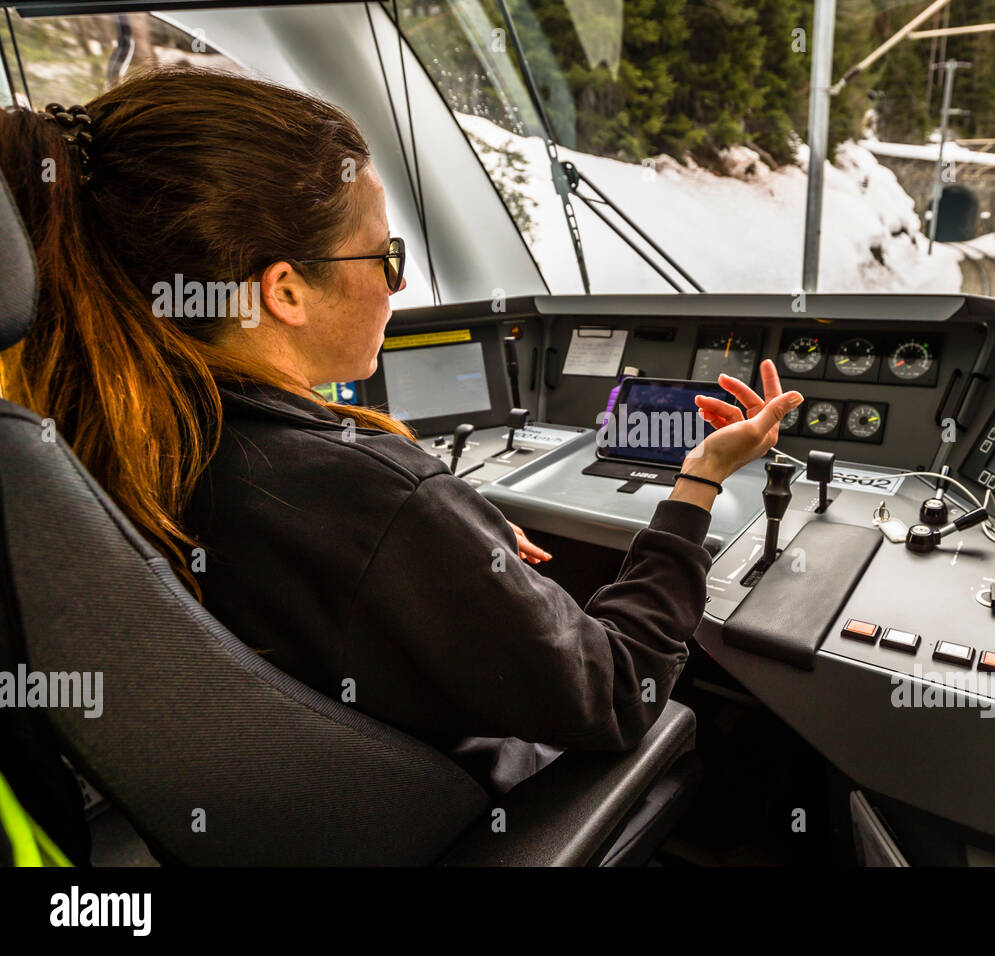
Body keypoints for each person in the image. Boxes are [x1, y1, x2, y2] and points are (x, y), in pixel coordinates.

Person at [0, 69, 802, 793]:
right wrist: (698, 482)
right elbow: (620, 692)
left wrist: (447, 552)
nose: (402, 281)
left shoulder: (81, 435)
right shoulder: (372, 495)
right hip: (449, 812)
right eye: (385, 256)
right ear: (284, 290)